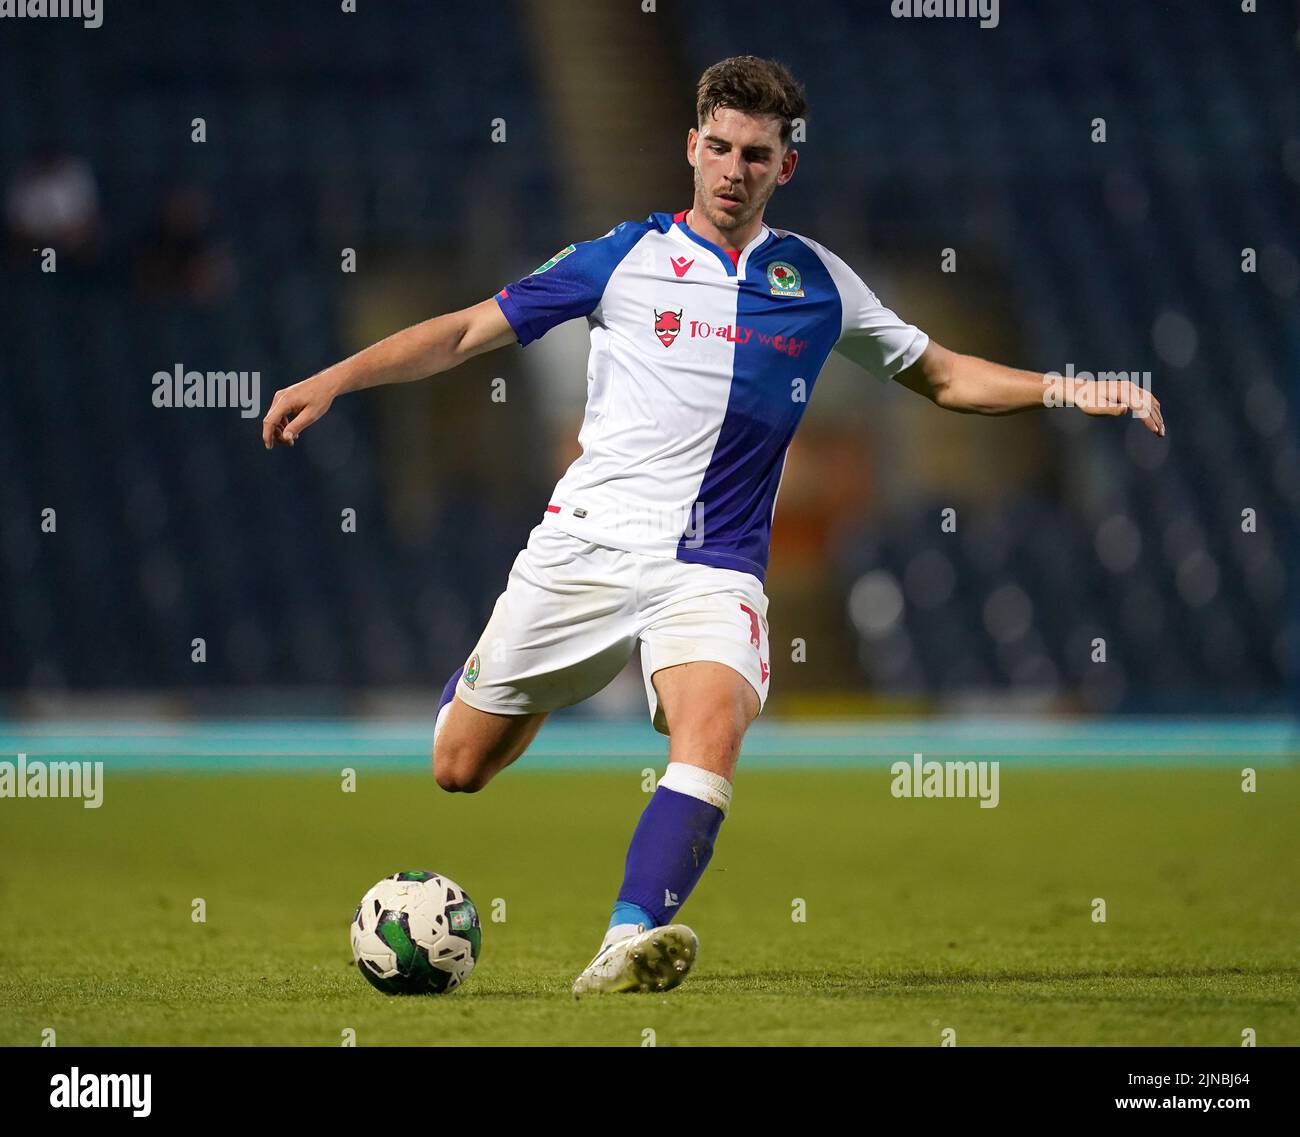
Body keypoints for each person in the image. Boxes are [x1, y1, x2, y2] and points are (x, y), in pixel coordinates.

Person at [261, 55, 1164, 996]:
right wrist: (333, 379)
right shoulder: (623, 258)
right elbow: (459, 332)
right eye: (721, 148)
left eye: (757, 155)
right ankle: (509, 681)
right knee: (457, 766)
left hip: (713, 565)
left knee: (712, 727)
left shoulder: (816, 282)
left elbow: (942, 374)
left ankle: (627, 938)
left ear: (786, 168)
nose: (735, 169)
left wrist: (1066, 387)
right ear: (692, 148)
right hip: (586, 546)